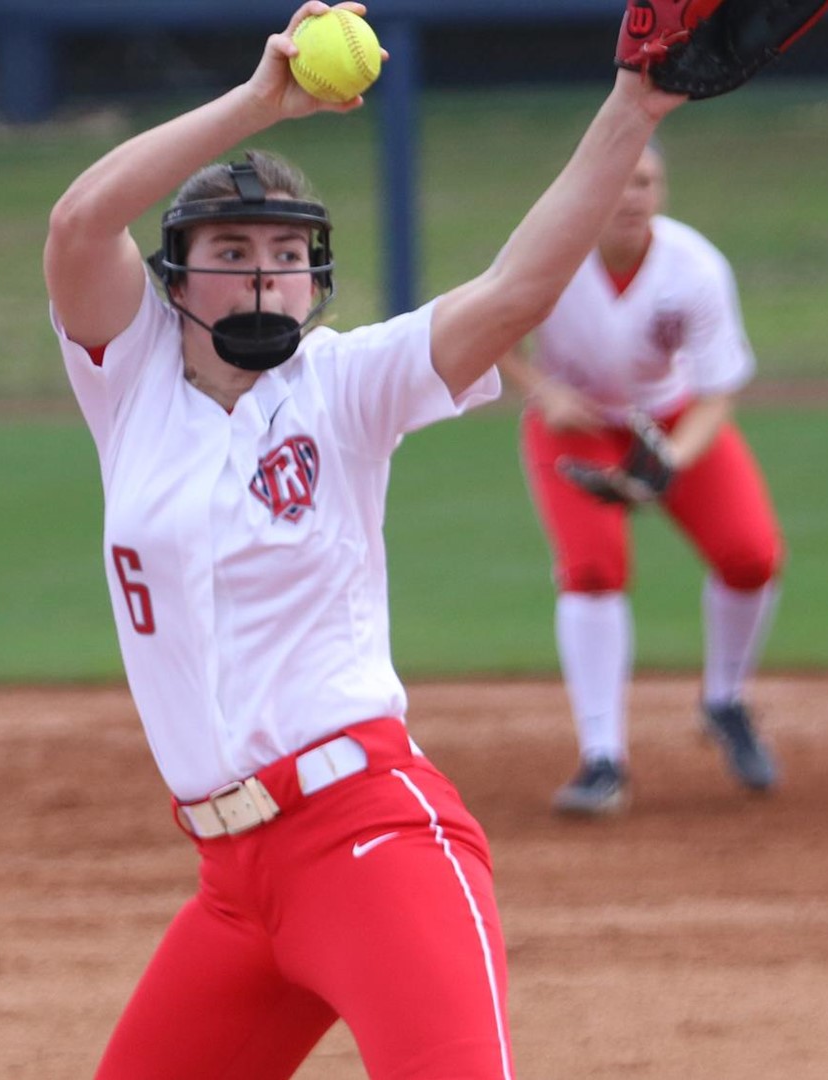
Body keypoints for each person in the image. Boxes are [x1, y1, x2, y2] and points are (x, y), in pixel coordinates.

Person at [43, 3, 683, 1076]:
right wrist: (259, 101)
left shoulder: (343, 384)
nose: (261, 274)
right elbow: (77, 222)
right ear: (175, 276)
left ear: (316, 275)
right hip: (231, 885)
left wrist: (634, 106)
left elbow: (519, 288)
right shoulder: (129, 380)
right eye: (230, 249)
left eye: (286, 252)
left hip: (371, 843)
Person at [498, 141, 785, 819]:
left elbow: (717, 393)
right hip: (577, 424)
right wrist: (543, 391)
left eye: (647, 181)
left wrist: (672, 460)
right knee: (594, 570)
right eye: (620, 182)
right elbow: (486, 328)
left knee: (752, 556)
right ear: (590, 188)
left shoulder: (693, 267)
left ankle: (725, 700)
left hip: (671, 419)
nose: (633, 196)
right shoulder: (548, 249)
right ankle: (604, 759)